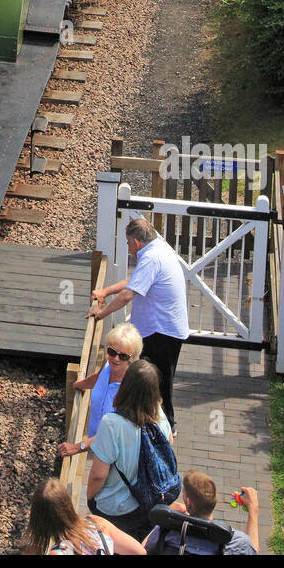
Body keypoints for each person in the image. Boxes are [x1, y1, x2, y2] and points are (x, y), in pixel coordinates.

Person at [88, 215, 189, 433]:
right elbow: (135, 281)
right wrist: (106, 291)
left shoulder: (151, 258)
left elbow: (128, 295)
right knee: (151, 378)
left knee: (157, 382)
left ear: (135, 242)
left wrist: (101, 313)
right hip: (163, 328)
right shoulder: (158, 249)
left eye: (127, 243)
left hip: (161, 331)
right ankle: (147, 423)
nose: (128, 248)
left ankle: (166, 428)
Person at [86, 359, 176, 540]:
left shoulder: (112, 423)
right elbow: (169, 445)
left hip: (114, 509)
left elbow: (98, 475)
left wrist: (90, 498)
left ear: (126, 386)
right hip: (148, 505)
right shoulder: (160, 415)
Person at [58, 322, 143, 459]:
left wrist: (77, 447)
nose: (115, 358)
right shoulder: (107, 364)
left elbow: (112, 433)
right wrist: (77, 385)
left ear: (132, 358)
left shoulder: (131, 389)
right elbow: (97, 378)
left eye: (123, 356)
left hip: (116, 453)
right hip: (98, 447)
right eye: (112, 352)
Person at [144, 472, 260, 555]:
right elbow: (252, 550)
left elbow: (142, 550)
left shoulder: (165, 531)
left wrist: (167, 518)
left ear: (188, 503)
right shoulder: (235, 541)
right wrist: (253, 509)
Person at [23, 479, 146, 556]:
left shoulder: (59, 552)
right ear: (67, 505)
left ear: (38, 520)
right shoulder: (97, 523)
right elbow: (139, 552)